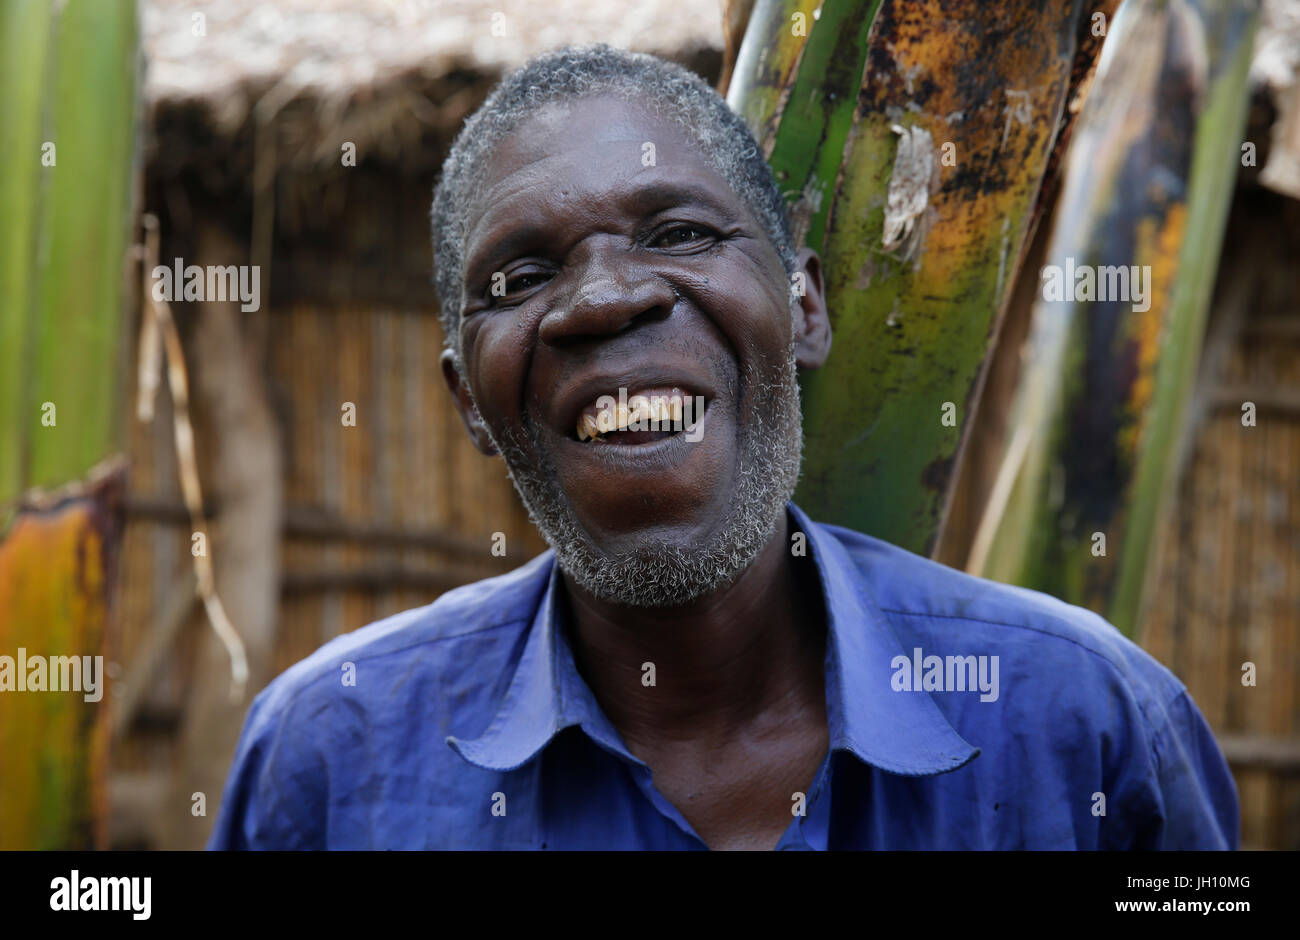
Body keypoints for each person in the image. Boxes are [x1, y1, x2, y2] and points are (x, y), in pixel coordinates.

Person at [209, 44, 1238, 850]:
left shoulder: (1085, 727)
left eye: (680, 233)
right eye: (520, 278)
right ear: (469, 402)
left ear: (801, 305)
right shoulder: (331, 758)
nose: (606, 297)